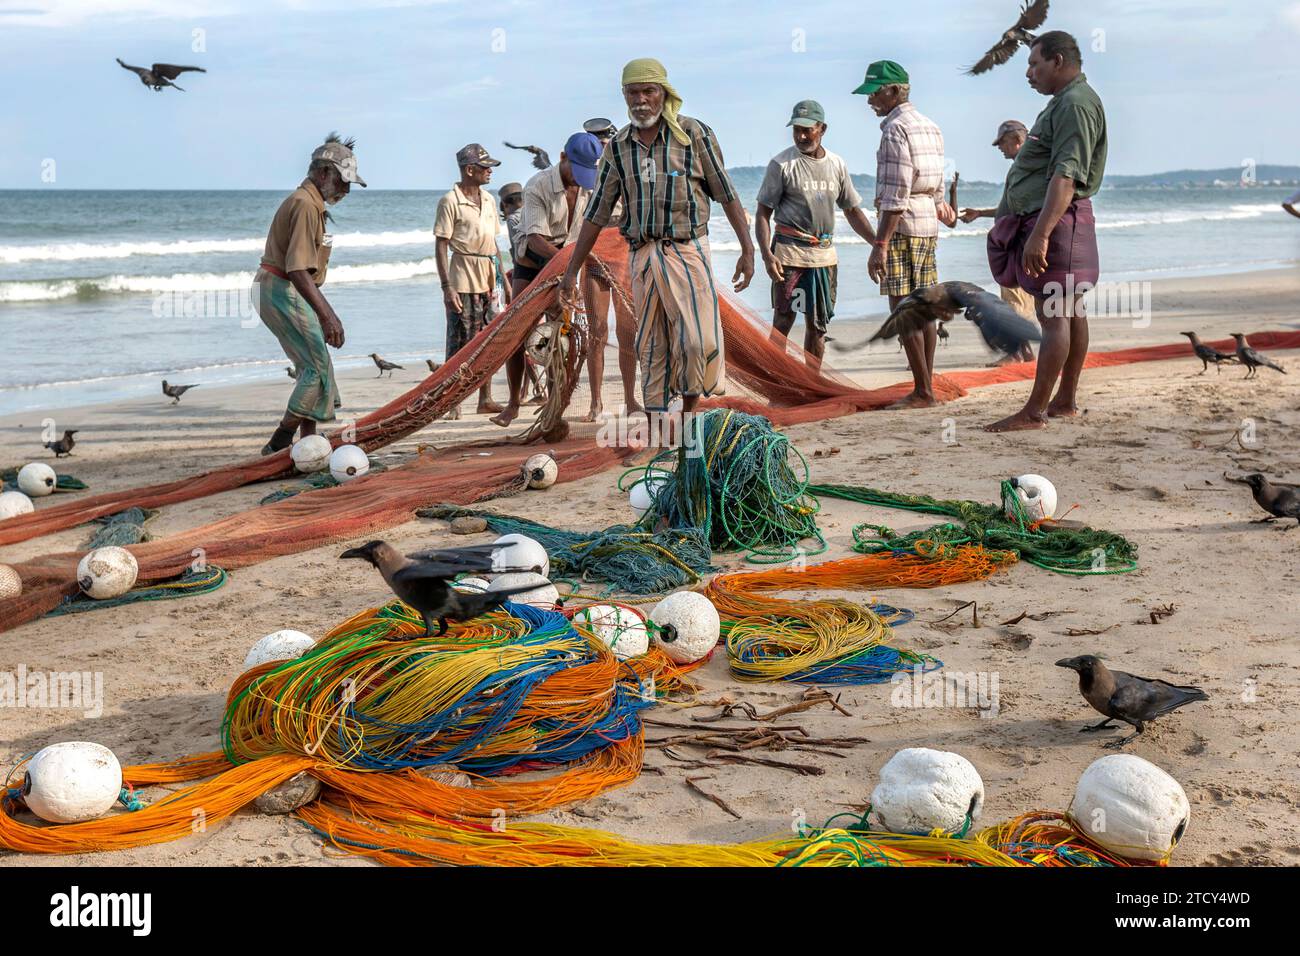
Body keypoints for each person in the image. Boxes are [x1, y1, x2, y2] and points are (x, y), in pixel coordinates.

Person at [560, 57, 755, 450]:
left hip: (688, 251)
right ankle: (656, 433)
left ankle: (686, 422)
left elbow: (727, 192)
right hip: (643, 256)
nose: (641, 100)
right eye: (633, 93)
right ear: (625, 97)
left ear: (664, 93)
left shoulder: (692, 135)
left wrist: (748, 249)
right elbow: (597, 212)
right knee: (651, 344)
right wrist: (570, 271)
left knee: (696, 342)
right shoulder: (618, 148)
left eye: (648, 91)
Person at [985, 31, 1107, 432]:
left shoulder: (1074, 104)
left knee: (1053, 314)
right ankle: (1065, 401)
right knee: (1069, 311)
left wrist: (1039, 234)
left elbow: (1066, 175)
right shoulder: (1067, 100)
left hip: (1058, 224)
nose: (1028, 73)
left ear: (1057, 61)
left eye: (1034, 64)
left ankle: (1034, 412)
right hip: (1062, 223)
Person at [254, 133, 365, 455]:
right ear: (322, 173)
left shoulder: (312, 204)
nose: (345, 189)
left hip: (279, 288)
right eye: (342, 181)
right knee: (315, 366)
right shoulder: (304, 204)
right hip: (280, 288)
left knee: (312, 362)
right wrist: (328, 316)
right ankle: (279, 442)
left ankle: (308, 440)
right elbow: (298, 270)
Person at [853, 60, 954, 408]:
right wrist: (941, 207)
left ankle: (923, 391)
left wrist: (879, 244)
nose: (870, 102)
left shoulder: (894, 130)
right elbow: (937, 187)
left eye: (874, 93)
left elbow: (896, 193)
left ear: (894, 91)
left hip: (903, 224)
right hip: (927, 224)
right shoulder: (931, 126)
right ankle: (926, 385)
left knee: (904, 308)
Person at [754, 99, 877, 370]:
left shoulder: (837, 164)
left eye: (807, 130)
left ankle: (812, 383)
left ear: (822, 129)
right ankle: (778, 383)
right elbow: (762, 213)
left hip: (823, 257)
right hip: (788, 254)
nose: (801, 136)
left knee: (818, 325)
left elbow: (853, 211)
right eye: (796, 129)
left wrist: (877, 244)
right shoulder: (781, 164)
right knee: (783, 320)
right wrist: (766, 254)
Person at [491, 131, 602, 427]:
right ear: (563, 158)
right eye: (576, 172)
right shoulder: (537, 185)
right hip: (534, 262)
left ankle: (554, 405)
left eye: (585, 174)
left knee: (559, 337)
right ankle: (513, 403)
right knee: (515, 332)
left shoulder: (591, 187)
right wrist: (568, 264)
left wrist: (572, 268)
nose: (579, 180)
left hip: (568, 263)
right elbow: (536, 238)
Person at [433, 143, 506, 419]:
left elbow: (494, 243)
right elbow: (441, 245)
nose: (490, 172)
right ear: (469, 169)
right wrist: (446, 286)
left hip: (489, 276)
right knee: (460, 342)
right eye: (485, 167)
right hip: (463, 277)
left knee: (488, 340)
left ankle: (485, 398)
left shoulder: (488, 199)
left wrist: (504, 279)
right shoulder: (450, 201)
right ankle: (453, 400)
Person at [959, 119, 1036, 364]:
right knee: (1018, 294)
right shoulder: (1024, 166)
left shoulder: (1026, 167)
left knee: (1013, 296)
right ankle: (1024, 352)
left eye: (1002, 143)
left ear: (1017, 140)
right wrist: (981, 213)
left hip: (1018, 240)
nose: (999, 148)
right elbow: (1009, 207)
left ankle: (1013, 353)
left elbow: (1020, 209)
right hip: (1018, 239)